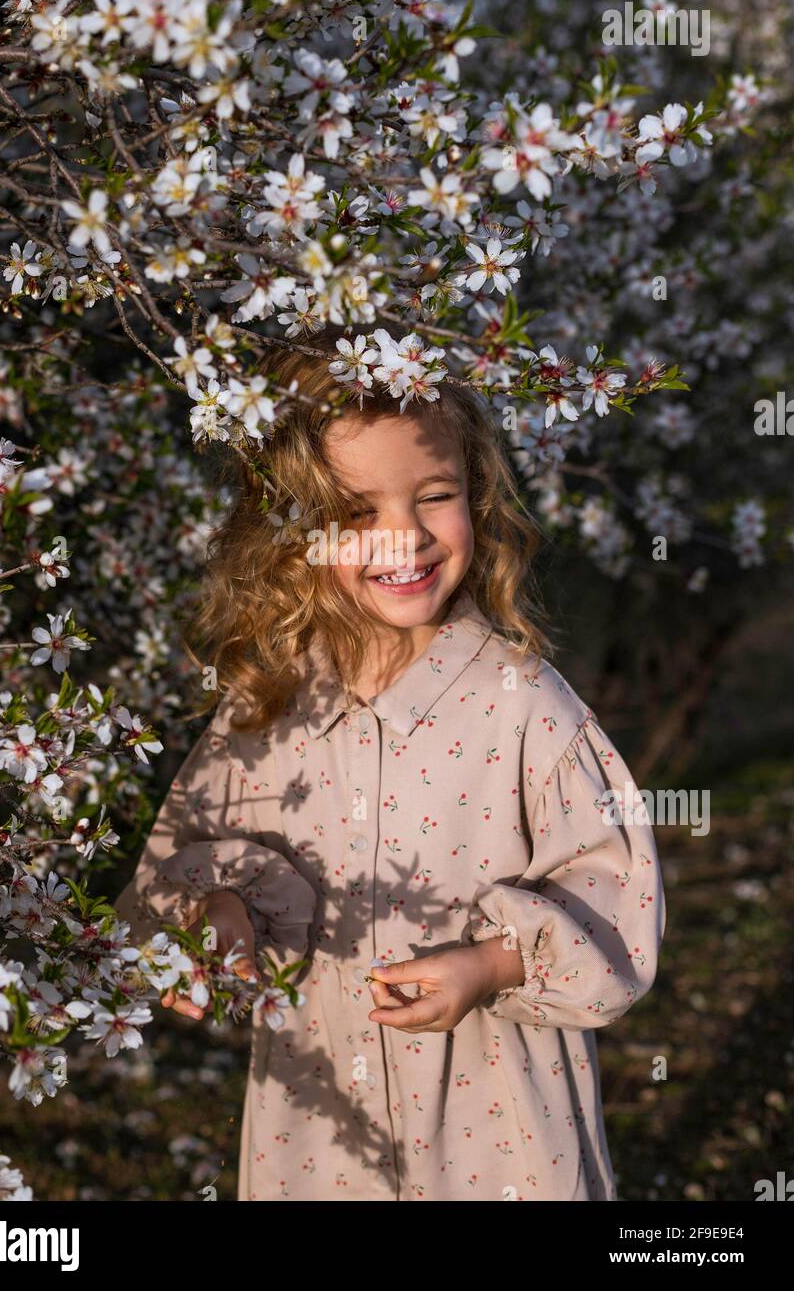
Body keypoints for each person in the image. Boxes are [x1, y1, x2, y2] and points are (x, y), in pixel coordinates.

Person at [114, 331, 665, 1201]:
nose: (402, 537)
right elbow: (178, 869)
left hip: (496, 1120)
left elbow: (614, 892)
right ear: (292, 532)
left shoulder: (523, 702)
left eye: (435, 495)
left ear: (477, 500)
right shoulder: (264, 707)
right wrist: (218, 918)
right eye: (357, 511)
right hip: (322, 1125)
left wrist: (490, 965)